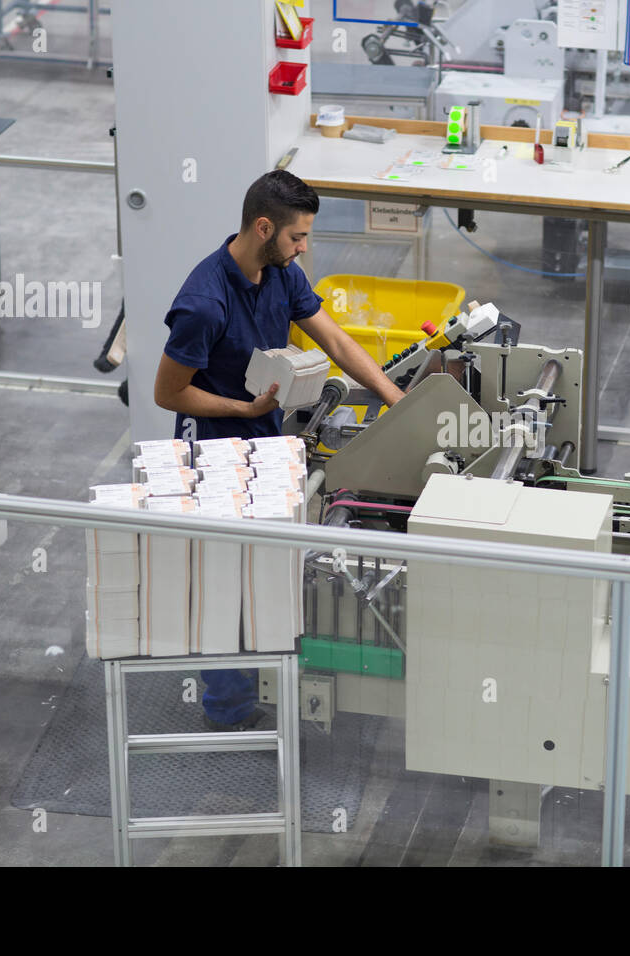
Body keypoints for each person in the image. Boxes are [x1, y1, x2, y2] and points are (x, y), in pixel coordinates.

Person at [154, 169, 405, 731]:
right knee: (222, 576)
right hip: (213, 451)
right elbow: (168, 391)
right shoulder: (204, 301)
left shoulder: (280, 273)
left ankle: (267, 666)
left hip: (260, 433)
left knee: (263, 564)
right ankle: (229, 706)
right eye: (297, 236)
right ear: (263, 227)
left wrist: (397, 398)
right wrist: (242, 411)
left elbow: (335, 339)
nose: (304, 247)